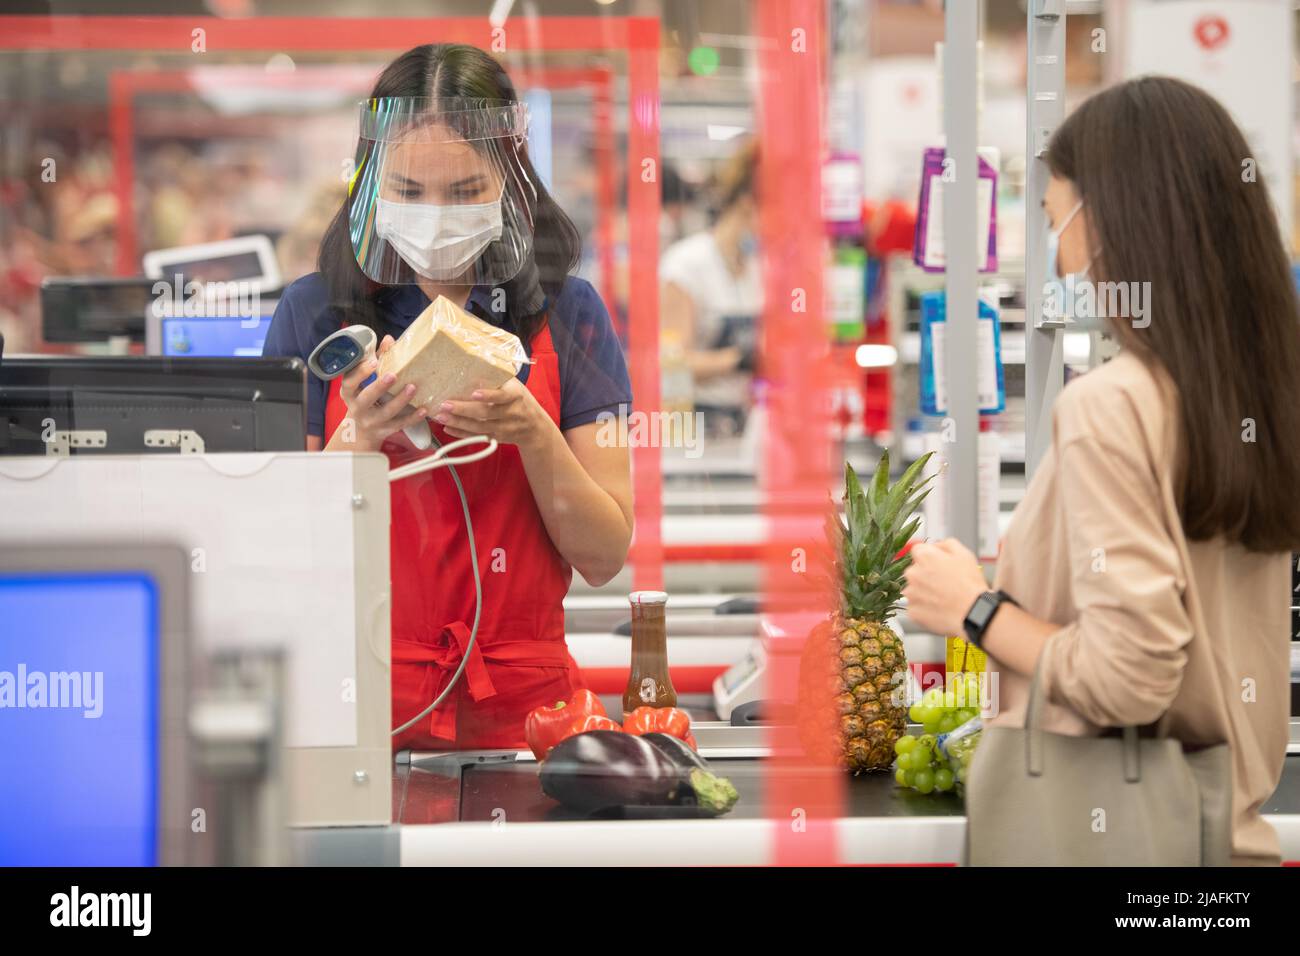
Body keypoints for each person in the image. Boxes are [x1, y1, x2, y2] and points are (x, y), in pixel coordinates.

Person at [901, 76, 1300, 864]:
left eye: (1055, 218)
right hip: (1220, 840)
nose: (1058, 249)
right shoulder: (1255, 396)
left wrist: (974, 611)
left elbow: (1131, 674)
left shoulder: (1111, 406)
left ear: (1110, 219)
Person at [263, 44, 633, 751]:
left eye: (465, 191)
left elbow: (605, 553)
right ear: (369, 186)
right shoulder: (316, 315)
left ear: (511, 178)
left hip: (534, 720)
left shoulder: (572, 315)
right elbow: (283, 546)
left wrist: (535, 435)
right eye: (406, 190)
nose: (435, 215)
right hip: (361, 707)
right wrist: (361, 437)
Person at [659, 140, 762, 435]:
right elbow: (672, 363)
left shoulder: (759, 267)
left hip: (746, 423)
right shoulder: (686, 265)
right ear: (747, 200)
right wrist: (740, 360)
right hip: (696, 426)